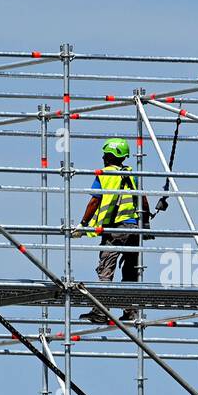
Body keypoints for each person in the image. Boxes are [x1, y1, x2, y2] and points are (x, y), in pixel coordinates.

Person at [74, 137, 149, 324]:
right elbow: (144, 200)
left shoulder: (105, 174)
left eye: (105, 154)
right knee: (131, 271)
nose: (102, 157)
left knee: (106, 268)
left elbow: (95, 201)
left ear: (110, 155)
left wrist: (83, 223)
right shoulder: (132, 173)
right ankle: (131, 312)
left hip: (115, 228)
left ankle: (101, 311)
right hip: (134, 228)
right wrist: (145, 224)